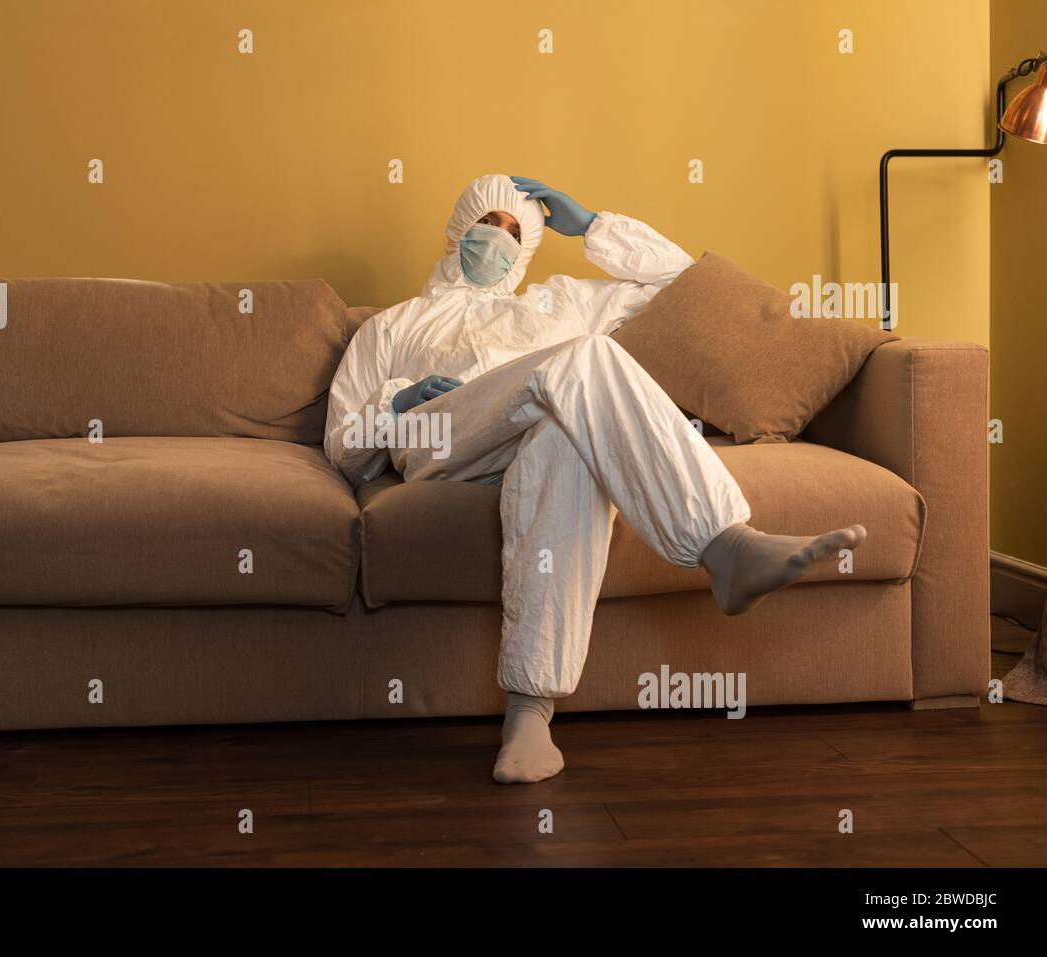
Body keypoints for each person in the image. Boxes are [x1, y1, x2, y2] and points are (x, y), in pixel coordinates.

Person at [324, 173, 865, 784]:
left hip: (533, 446)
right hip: (443, 442)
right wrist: (400, 401)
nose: (496, 241)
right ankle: (724, 543)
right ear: (458, 229)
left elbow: (688, 288)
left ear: (529, 246)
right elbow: (344, 448)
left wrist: (595, 228)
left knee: (566, 440)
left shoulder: (556, 303)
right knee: (590, 356)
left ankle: (530, 717)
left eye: (513, 231)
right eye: (487, 225)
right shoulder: (393, 326)